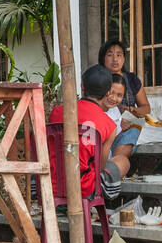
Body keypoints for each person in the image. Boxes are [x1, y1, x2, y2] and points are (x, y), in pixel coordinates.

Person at [49, 64, 127, 203]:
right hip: (83, 188)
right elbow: (100, 167)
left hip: (52, 184)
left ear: (82, 86)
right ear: (108, 92)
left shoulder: (57, 112)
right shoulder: (109, 124)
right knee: (123, 160)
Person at [99, 40, 150, 165]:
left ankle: (112, 168)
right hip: (103, 130)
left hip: (124, 129)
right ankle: (112, 168)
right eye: (110, 55)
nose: (115, 59)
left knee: (133, 133)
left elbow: (146, 108)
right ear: (103, 58)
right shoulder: (97, 79)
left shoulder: (131, 79)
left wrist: (132, 110)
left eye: (119, 55)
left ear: (124, 58)